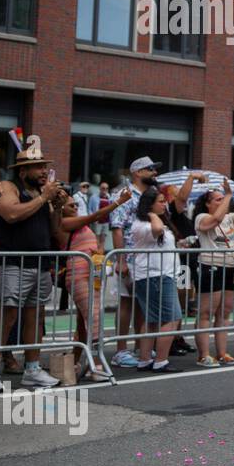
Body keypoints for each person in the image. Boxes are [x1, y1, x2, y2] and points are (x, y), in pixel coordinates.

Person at [0, 144, 66, 391]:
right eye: (38, 167)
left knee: (36, 317)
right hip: (13, 264)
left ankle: (32, 369)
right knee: (7, 318)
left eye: (45, 166)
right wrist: (44, 198)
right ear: (23, 171)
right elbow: (10, 214)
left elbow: (54, 230)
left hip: (39, 264)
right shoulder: (8, 188)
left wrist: (58, 206)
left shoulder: (42, 193)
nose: (44, 171)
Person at [60, 186, 133, 380]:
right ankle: (96, 365)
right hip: (78, 276)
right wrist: (118, 202)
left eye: (76, 204)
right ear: (61, 209)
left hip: (92, 276)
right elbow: (95, 216)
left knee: (83, 323)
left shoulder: (79, 225)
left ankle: (76, 363)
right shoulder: (65, 222)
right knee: (93, 316)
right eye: (70, 205)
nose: (75, 206)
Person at [192, 176, 234, 367]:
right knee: (206, 312)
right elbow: (216, 218)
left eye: (222, 198)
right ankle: (203, 355)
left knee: (224, 312)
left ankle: (222, 353)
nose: (223, 202)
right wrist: (228, 194)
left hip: (231, 267)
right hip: (211, 266)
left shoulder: (229, 218)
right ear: (207, 204)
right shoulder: (202, 218)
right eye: (217, 199)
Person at [108, 157, 160, 368]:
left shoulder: (150, 194)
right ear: (137, 172)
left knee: (142, 304)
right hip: (129, 256)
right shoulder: (123, 194)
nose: (154, 173)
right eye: (150, 169)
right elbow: (117, 227)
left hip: (146, 255)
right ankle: (121, 351)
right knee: (126, 303)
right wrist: (121, 259)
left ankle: (142, 347)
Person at [128, 186, 185, 372]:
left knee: (152, 319)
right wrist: (152, 214)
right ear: (149, 205)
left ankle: (145, 359)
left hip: (157, 274)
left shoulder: (148, 222)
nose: (164, 204)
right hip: (156, 275)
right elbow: (158, 230)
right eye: (160, 201)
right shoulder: (144, 223)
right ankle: (161, 360)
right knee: (172, 317)